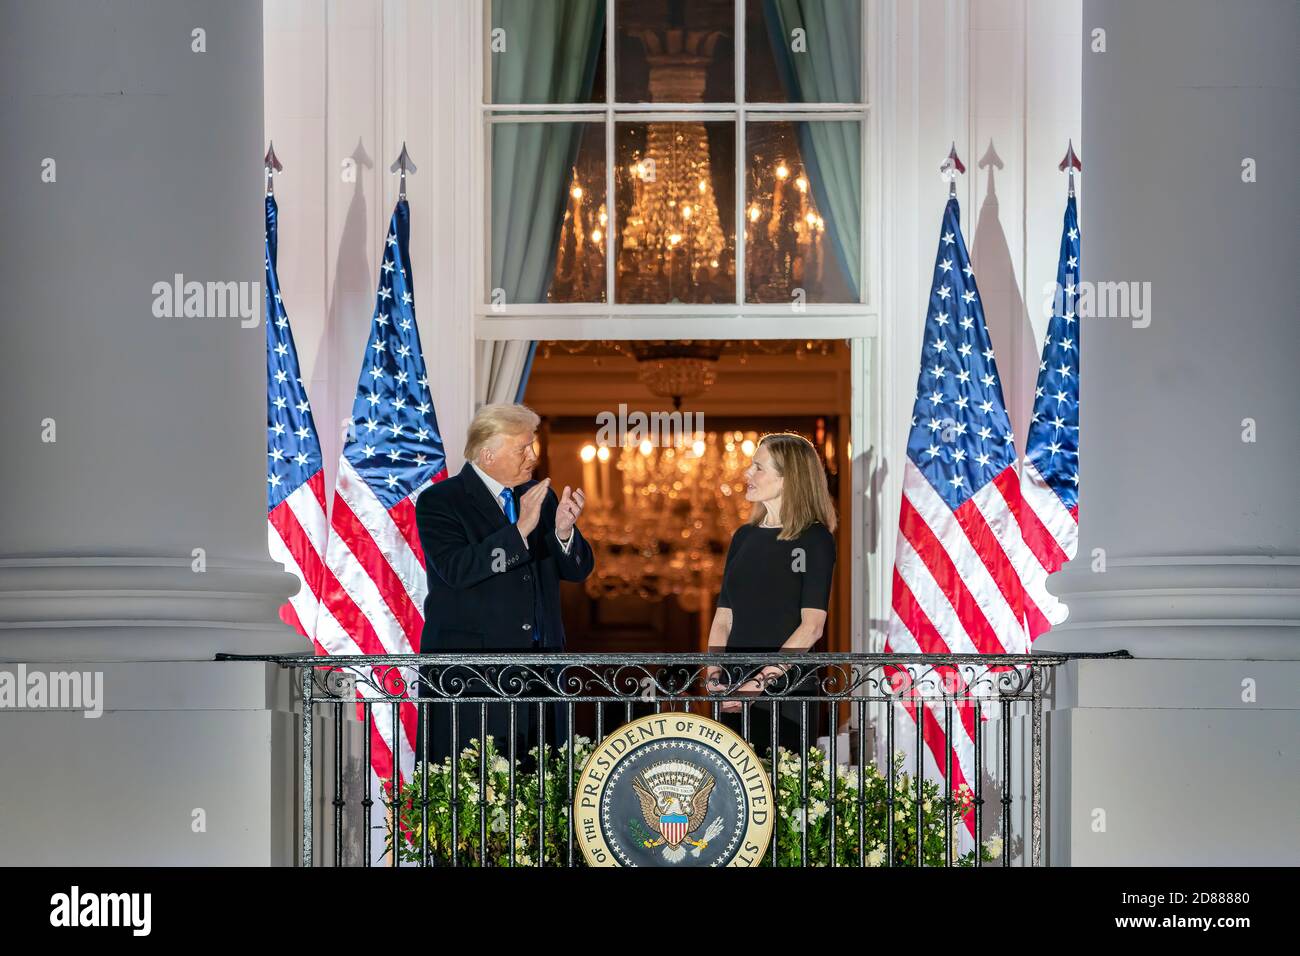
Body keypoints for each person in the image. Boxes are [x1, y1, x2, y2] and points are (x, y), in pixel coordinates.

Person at [413, 403, 593, 767]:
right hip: (473, 678)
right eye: (523, 448)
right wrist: (520, 530)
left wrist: (562, 531)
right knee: (473, 797)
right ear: (488, 453)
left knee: (540, 793)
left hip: (541, 673)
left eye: (533, 445)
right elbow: (457, 570)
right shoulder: (441, 501)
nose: (533, 456)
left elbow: (577, 570)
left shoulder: (541, 497)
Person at [705, 432, 837, 757]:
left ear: (787, 478)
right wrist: (713, 674)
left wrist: (758, 685)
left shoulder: (815, 539)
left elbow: (812, 627)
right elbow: (724, 617)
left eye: (758, 468)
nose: (747, 475)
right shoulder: (743, 537)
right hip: (733, 689)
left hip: (785, 689)